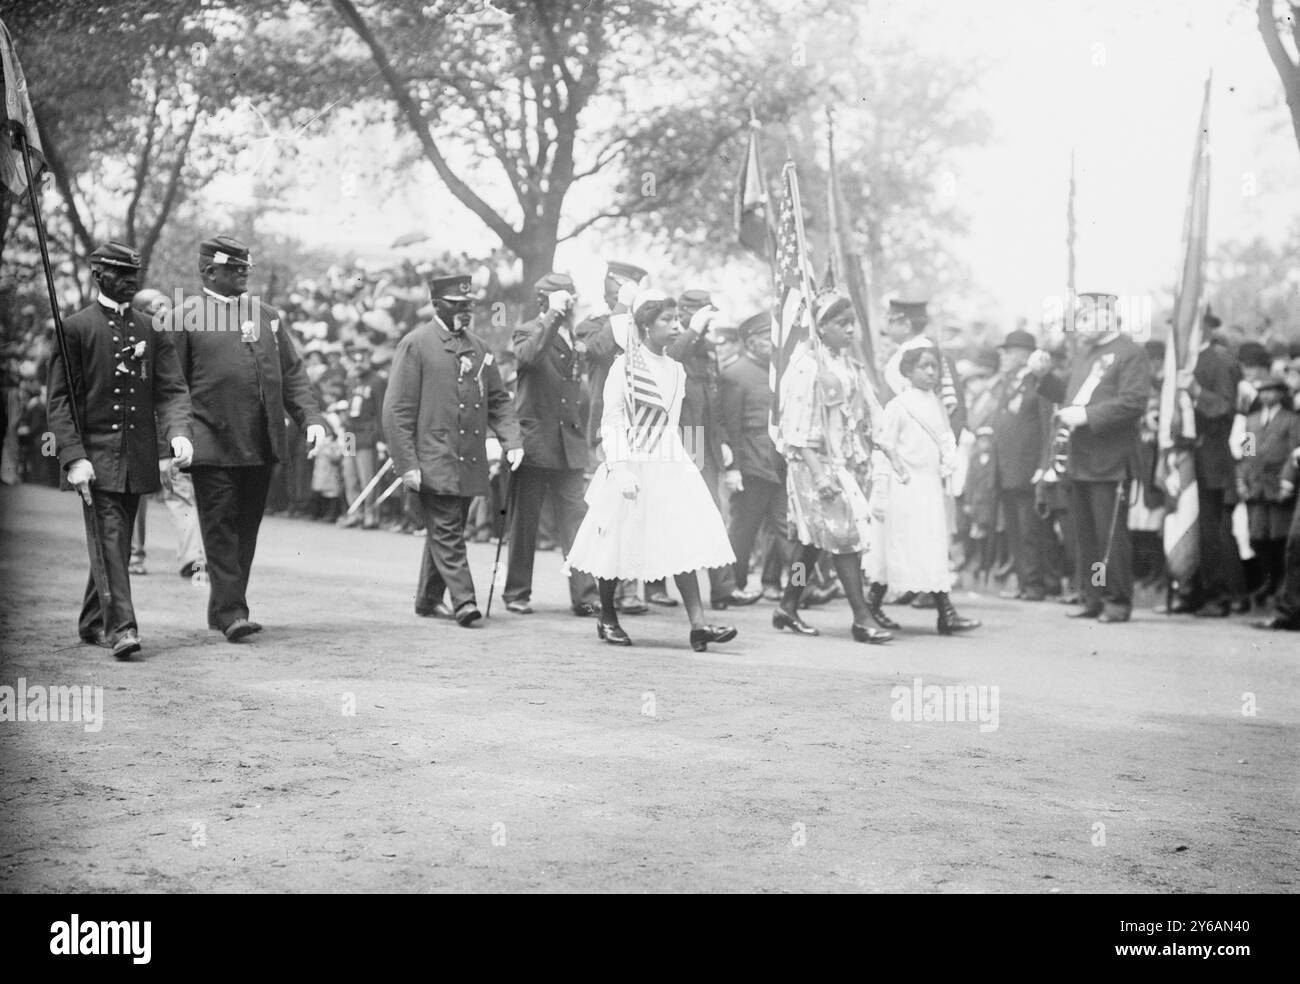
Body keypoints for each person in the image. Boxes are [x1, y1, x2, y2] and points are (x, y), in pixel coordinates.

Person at [170, 236, 327, 642]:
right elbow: (173, 386)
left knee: (246, 528)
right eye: (234, 268)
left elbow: (292, 374)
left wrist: (310, 417)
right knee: (220, 526)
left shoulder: (267, 316)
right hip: (210, 441)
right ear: (209, 271)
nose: (243, 274)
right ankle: (233, 612)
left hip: (259, 442)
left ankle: (221, 607)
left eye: (245, 268)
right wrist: (177, 436)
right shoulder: (184, 317)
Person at [566, 289, 737, 652]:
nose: (677, 327)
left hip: (668, 460)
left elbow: (674, 423)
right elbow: (610, 421)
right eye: (667, 321)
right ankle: (608, 617)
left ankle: (699, 624)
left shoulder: (676, 369)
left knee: (681, 536)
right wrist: (620, 467)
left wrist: (686, 461)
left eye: (678, 320)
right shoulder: (624, 367)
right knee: (614, 538)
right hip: (630, 459)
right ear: (645, 326)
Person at [46, 241, 193, 659]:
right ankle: (122, 627)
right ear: (98, 275)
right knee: (112, 537)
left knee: (118, 541)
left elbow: (172, 389)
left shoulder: (152, 328)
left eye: (134, 275)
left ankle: (93, 620)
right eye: (120, 274)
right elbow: (59, 401)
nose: (130, 282)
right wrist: (73, 457)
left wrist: (178, 432)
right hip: (93, 457)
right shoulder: (74, 328)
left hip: (138, 455)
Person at [382, 274, 522, 627]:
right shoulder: (415, 344)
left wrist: (512, 441)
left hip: (468, 460)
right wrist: (407, 463)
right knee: (446, 528)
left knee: (447, 530)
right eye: (458, 305)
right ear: (437, 304)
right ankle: (465, 601)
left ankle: (429, 600)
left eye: (469, 305)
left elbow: (499, 401)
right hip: (433, 459)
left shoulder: (480, 348)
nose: (466, 311)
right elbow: (396, 410)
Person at [771, 293, 893, 644]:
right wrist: (820, 474)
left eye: (852, 323)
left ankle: (788, 603)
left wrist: (888, 453)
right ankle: (861, 617)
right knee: (845, 537)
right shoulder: (808, 366)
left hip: (842, 461)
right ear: (821, 327)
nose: (850, 330)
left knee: (810, 546)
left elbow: (869, 413)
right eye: (841, 324)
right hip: (813, 464)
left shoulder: (850, 366)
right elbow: (795, 429)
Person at [1029, 292, 1150, 623]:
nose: (1081, 325)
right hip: (1081, 460)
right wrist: (1044, 377)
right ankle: (1093, 596)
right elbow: (1068, 395)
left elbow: (1134, 402)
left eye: (1087, 317)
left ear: (1107, 317)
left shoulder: (1131, 353)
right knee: (1087, 538)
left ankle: (1117, 600)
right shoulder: (1086, 354)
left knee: (1110, 537)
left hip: (1111, 461)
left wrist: (1087, 416)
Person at [503, 273, 601, 616]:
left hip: (569, 443)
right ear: (545, 300)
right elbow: (527, 358)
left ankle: (586, 595)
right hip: (535, 441)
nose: (570, 303)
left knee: (576, 521)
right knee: (526, 522)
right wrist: (551, 317)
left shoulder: (574, 338)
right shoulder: (529, 330)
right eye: (564, 298)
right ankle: (516, 592)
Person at [873, 347, 981, 634]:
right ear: (908, 371)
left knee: (932, 545)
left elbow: (944, 440)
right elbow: (884, 446)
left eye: (934, 367)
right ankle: (874, 605)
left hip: (931, 485)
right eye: (924, 367)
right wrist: (882, 490)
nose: (931, 372)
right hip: (905, 484)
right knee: (899, 546)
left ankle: (945, 613)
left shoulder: (937, 404)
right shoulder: (899, 405)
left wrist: (948, 464)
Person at [573, 260, 649, 615]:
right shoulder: (592, 325)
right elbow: (600, 349)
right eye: (615, 290)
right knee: (606, 512)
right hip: (607, 430)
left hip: (643, 429)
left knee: (635, 509)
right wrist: (622, 309)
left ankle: (631, 590)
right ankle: (601, 592)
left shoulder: (647, 325)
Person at [1167, 312, 1247, 616]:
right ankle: (1193, 591)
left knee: (1217, 530)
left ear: (1206, 328)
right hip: (1189, 456)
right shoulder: (1180, 362)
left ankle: (1226, 594)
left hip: (1214, 457)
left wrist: (1197, 392)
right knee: (1191, 528)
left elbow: (1226, 407)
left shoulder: (1220, 361)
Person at [127, 287, 207, 580]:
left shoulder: (175, 345)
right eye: (155, 307)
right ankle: (133, 556)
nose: (164, 313)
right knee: (134, 500)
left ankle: (192, 560)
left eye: (166, 307)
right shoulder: (126, 345)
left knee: (181, 496)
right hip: (138, 439)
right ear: (139, 311)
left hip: (170, 439)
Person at [719, 311, 788, 604]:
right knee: (743, 532)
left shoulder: (782, 373)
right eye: (764, 339)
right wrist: (733, 467)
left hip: (782, 467)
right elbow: (729, 425)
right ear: (749, 341)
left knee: (789, 532)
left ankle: (801, 584)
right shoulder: (735, 375)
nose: (771, 345)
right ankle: (735, 585)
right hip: (751, 468)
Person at [991, 329, 1054, 600]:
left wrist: (1044, 465)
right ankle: (1023, 581)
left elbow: (1046, 425)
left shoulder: (1037, 383)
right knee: (1015, 530)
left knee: (1031, 531)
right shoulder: (1010, 383)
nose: (1003, 357)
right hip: (1007, 469)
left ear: (1024, 355)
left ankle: (1036, 584)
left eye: (1008, 352)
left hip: (1029, 469)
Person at [1238, 377, 1300, 609]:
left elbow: (1295, 452)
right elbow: (1248, 453)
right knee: (1258, 537)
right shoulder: (1252, 421)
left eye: (1271, 391)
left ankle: (1280, 585)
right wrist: (1242, 479)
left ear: (1281, 393)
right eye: (1262, 390)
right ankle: (1268, 581)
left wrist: (1287, 481)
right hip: (1257, 486)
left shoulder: (1292, 420)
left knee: (1279, 537)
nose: (1265, 395)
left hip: (1278, 485)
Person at [336, 337, 386, 529]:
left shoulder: (377, 381)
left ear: (368, 358)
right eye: (353, 358)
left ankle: (370, 515)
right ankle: (354, 512)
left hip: (367, 434)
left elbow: (381, 410)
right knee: (349, 474)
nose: (357, 362)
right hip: (350, 434)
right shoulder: (351, 380)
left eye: (361, 358)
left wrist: (381, 438)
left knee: (367, 477)